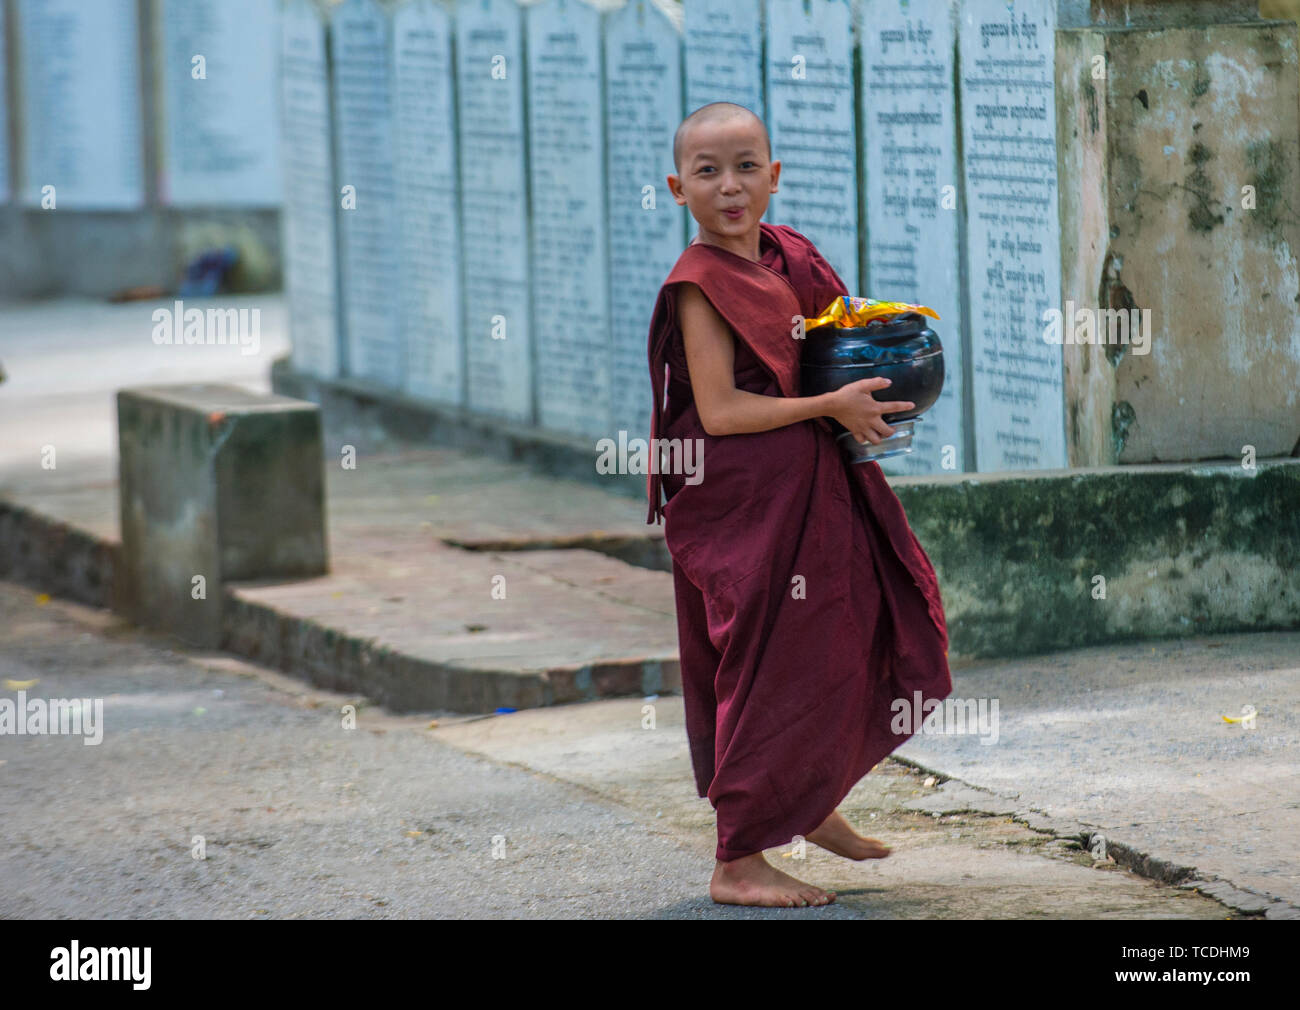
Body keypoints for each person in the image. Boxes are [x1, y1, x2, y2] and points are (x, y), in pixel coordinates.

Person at [645, 102, 953, 908]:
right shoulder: (697, 285)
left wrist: (883, 352)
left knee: (847, 635)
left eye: (746, 166)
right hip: (744, 504)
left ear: (774, 176)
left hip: (813, 481)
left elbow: (824, 339)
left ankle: (810, 804)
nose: (730, 186)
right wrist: (829, 410)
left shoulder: (786, 256)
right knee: (766, 662)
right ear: (678, 189)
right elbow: (719, 413)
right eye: (707, 172)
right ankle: (739, 859)